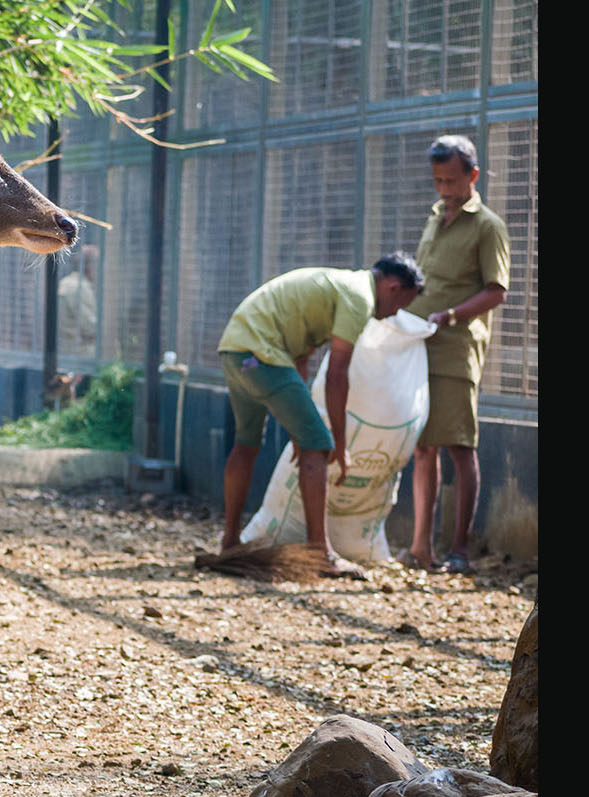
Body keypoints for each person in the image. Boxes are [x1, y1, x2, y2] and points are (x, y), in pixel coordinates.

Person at [217, 254, 427, 575]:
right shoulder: (359, 297)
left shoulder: (341, 285)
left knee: (246, 444)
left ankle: (230, 541)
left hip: (236, 350)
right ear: (394, 287)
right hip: (263, 354)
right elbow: (337, 373)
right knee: (318, 444)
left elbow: (302, 360)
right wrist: (338, 442)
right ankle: (321, 554)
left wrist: (299, 425)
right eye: (398, 306)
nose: (391, 315)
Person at [401, 135, 510, 575]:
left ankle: (459, 550)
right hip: (418, 346)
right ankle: (420, 547)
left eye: (451, 180)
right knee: (423, 449)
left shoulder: (487, 225)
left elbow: (496, 291)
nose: (444, 190)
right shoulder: (434, 217)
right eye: (438, 181)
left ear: (473, 176)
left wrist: (451, 316)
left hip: (458, 350)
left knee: (460, 447)